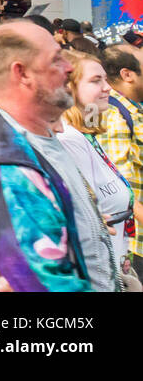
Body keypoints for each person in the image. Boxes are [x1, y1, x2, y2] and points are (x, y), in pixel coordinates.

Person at [0, 21, 107, 291]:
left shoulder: (31, 136)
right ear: (22, 73)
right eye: (56, 60)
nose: (69, 68)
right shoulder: (5, 171)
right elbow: (44, 285)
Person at [54, 51, 134, 287]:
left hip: (113, 273)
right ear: (68, 88)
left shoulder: (84, 136)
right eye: (95, 81)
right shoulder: (69, 141)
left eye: (105, 79)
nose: (108, 87)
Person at [99, 43, 143, 280]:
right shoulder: (114, 116)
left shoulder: (131, 109)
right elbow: (120, 186)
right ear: (128, 75)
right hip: (135, 243)